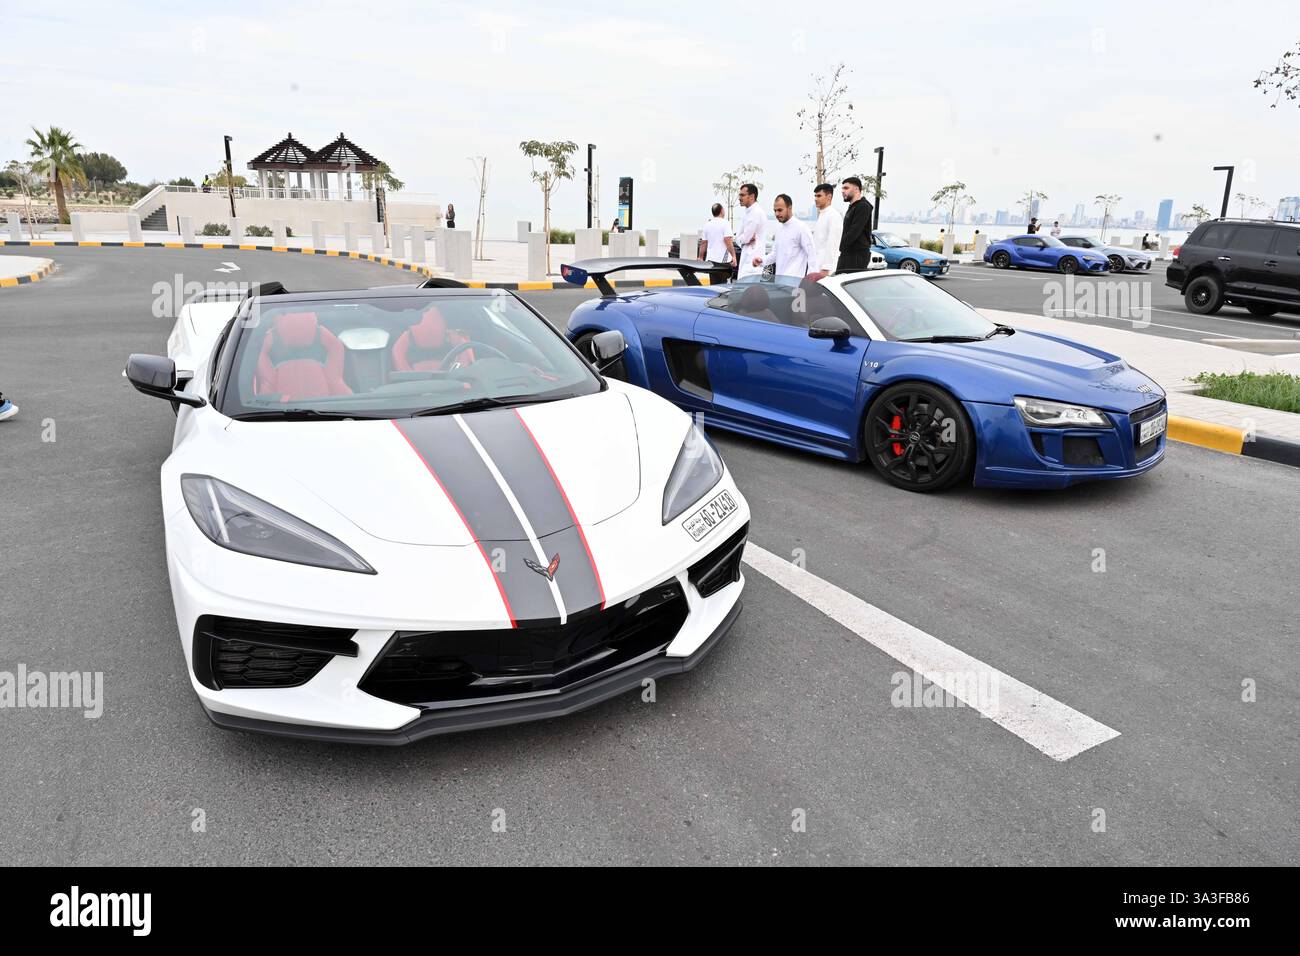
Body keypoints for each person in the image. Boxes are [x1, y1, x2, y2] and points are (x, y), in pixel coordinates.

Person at [756, 193, 816, 279]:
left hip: (795, 283)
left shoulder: (801, 228)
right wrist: (762, 261)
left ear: (789, 208)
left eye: (780, 210)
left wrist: (810, 280)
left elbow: (812, 255)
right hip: (779, 282)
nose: (776, 214)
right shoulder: (779, 229)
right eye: (775, 210)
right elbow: (775, 255)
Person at [836, 176, 875, 274]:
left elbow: (854, 232)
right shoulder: (853, 206)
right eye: (842, 188)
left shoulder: (863, 206)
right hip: (847, 253)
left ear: (856, 189)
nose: (842, 191)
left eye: (846, 188)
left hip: (857, 256)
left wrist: (838, 246)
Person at [735, 183, 768, 280]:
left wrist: (742, 239)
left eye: (742, 195)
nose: (739, 198)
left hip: (752, 263)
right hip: (747, 260)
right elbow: (739, 238)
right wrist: (742, 239)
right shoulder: (747, 212)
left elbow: (745, 238)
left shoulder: (756, 213)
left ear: (752, 196)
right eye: (739, 195)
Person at [811, 183, 843, 275]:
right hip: (817, 266)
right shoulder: (822, 214)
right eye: (815, 196)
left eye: (819, 196)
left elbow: (833, 243)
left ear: (829, 197)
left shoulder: (834, 216)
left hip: (825, 270)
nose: (816, 199)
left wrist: (826, 268)